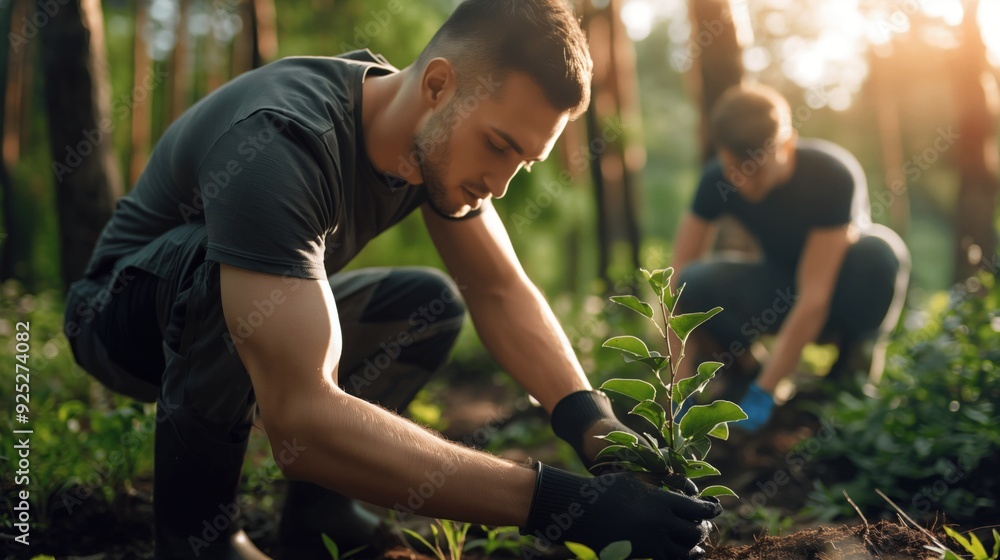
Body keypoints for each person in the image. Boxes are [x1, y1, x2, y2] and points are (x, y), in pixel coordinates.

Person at [63, 1, 722, 558]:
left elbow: (499, 290)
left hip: (236, 315)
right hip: (122, 323)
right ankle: (197, 539)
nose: (500, 183)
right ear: (437, 84)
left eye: (524, 161)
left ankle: (320, 517)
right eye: (498, 145)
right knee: (218, 275)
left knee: (425, 303)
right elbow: (300, 421)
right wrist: (557, 502)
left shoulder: (427, 139)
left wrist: (593, 424)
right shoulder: (282, 140)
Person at [668, 83, 911, 432]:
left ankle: (851, 374)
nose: (744, 185)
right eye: (735, 170)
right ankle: (741, 370)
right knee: (695, 281)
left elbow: (814, 296)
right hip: (777, 287)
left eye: (757, 170)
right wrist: (680, 383)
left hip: (839, 293)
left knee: (881, 252)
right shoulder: (715, 180)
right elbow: (676, 282)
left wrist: (764, 394)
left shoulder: (830, 176)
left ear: (787, 144)